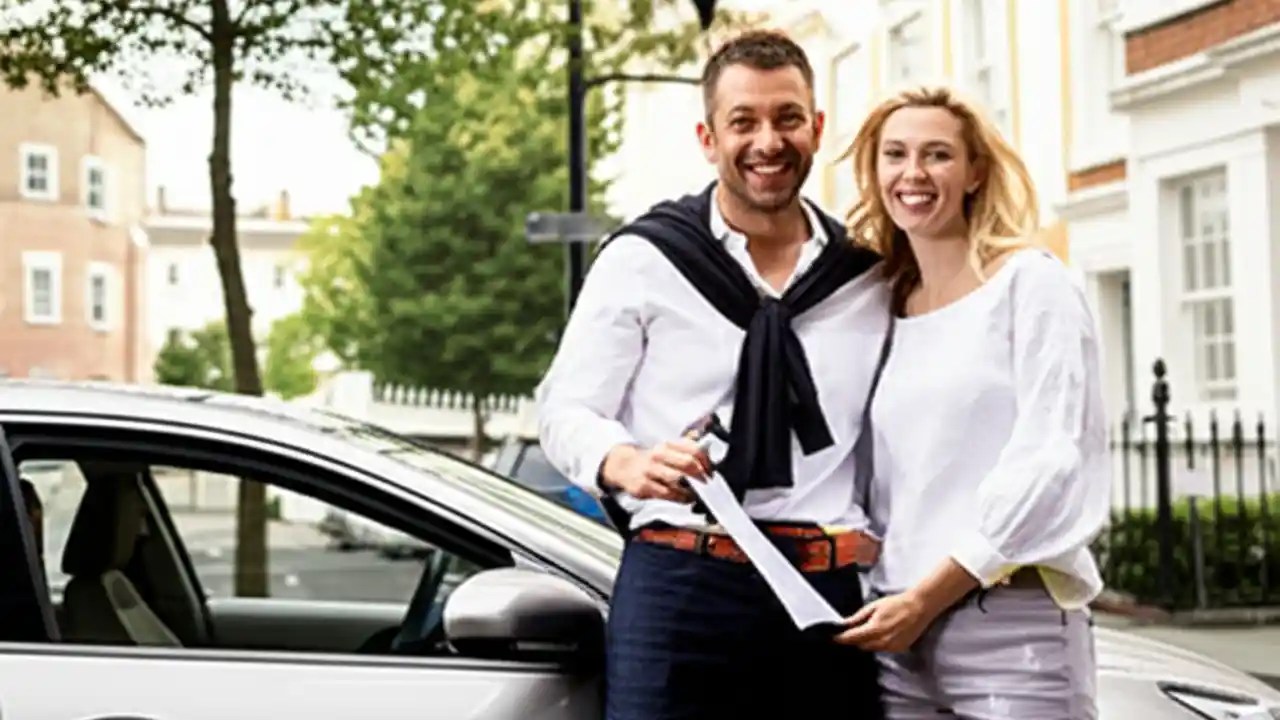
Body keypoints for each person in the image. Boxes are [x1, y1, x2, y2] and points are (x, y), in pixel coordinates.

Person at [536, 29, 889, 720]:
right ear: (707, 138)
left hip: (826, 595)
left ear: (815, 129)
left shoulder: (867, 278)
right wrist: (623, 460)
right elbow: (562, 408)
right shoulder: (644, 259)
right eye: (743, 122)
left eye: (788, 118)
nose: (768, 140)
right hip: (680, 589)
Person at [831, 85, 1110, 719]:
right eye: (895, 155)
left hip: (1010, 627)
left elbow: (1052, 463)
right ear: (874, 174)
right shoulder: (883, 304)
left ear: (975, 171)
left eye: (937, 155)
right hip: (897, 635)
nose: (914, 173)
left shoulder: (1030, 285)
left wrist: (928, 597)